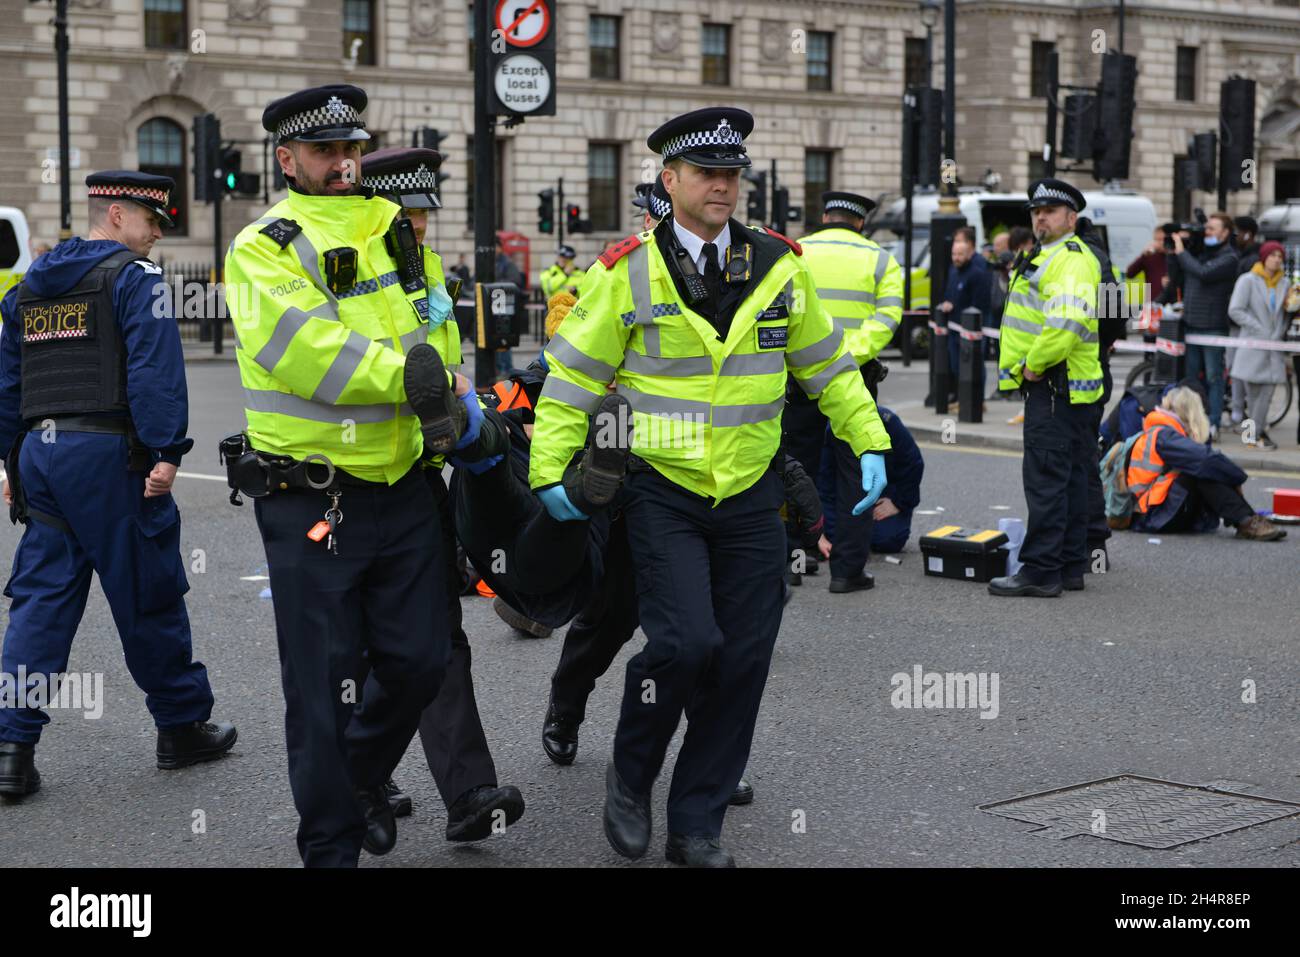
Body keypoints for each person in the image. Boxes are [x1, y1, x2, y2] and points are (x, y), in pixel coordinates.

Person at [529, 107, 890, 867]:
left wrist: (869, 438)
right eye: (707, 173)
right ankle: (631, 778)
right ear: (672, 180)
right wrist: (550, 475)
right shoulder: (628, 270)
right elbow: (570, 382)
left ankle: (696, 823)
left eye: (732, 173)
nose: (723, 185)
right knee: (685, 642)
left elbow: (826, 367)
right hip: (663, 488)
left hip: (753, 492)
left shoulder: (779, 265)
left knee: (743, 658)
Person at [224, 84, 467, 867]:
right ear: (286, 158)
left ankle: (357, 777)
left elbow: (439, 318)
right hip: (310, 497)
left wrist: (441, 369)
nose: (342, 163)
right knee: (324, 687)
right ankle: (330, 847)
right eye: (325, 151)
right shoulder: (264, 246)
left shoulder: (396, 227)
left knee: (422, 659)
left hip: (402, 487)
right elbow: (311, 351)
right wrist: (419, 377)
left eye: (351, 149)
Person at [0, 171, 235, 799]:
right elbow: (156, 372)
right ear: (115, 215)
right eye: (152, 220)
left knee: (42, 600)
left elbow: (8, 381)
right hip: (108, 457)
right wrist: (166, 449)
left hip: (41, 456)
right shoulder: (134, 280)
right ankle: (182, 727)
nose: (158, 234)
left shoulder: (29, 289)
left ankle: (10, 749)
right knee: (149, 589)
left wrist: (10, 461)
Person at [358, 145, 525, 840]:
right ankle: (362, 776)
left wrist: (465, 405)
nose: (420, 226)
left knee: (435, 635)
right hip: (351, 476)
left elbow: (444, 356)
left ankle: (468, 793)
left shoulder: (424, 268)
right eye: (408, 212)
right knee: (359, 644)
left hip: (423, 470)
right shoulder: (352, 266)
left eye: (426, 212)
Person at [989, 178, 1102, 598]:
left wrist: (1033, 367)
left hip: (1053, 385)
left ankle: (1039, 571)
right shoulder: (1048, 254)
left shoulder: (1069, 258)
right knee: (1069, 479)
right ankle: (1070, 565)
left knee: (1046, 481)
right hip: (1069, 389)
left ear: (1071, 218)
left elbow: (1065, 322)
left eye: (1050, 211)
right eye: (1036, 210)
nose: (1040, 216)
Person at [790, 190, 903, 593]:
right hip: (853, 375)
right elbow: (889, 316)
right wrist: (846, 357)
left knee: (791, 464)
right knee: (856, 470)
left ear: (824, 215)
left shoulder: (797, 251)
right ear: (861, 222)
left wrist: (812, 358)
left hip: (798, 374)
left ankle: (793, 561)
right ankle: (847, 570)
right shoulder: (880, 258)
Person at [1126, 386, 1285, 540]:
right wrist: (1237, 478)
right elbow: (1206, 459)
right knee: (1201, 470)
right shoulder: (1164, 435)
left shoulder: (1165, 431)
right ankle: (1247, 521)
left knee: (1205, 468)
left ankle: (1248, 519)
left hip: (1154, 510)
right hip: (1150, 515)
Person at [1173, 212, 1238, 437]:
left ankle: (1213, 424)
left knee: (1213, 378)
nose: (1207, 232)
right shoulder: (1199, 253)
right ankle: (1190, 421)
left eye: (1212, 229)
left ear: (1225, 232)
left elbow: (1204, 273)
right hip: (1191, 323)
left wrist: (1182, 252)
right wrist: (1182, 247)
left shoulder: (1229, 257)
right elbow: (1181, 273)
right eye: (1207, 228)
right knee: (1190, 379)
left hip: (1212, 326)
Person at [1228, 241, 1294, 451]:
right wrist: (1258, 329)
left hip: (1273, 348)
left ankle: (1253, 436)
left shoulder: (1285, 284)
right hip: (1253, 346)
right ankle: (1252, 437)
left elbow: (1283, 314)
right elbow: (1236, 310)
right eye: (1272, 255)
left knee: (1266, 395)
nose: (1276, 259)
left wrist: (1279, 331)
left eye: (1280, 256)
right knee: (1254, 396)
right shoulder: (1247, 280)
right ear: (1263, 257)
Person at [939, 226, 991, 406]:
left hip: (970, 331)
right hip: (954, 328)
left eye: (960, 254)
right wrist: (947, 303)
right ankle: (963, 400)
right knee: (956, 367)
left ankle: (977, 401)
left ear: (970, 253)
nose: (956, 258)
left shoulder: (977, 274)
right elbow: (949, 294)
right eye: (954, 254)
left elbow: (980, 304)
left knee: (974, 366)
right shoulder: (953, 271)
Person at [1125, 225, 1172, 303]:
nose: (1158, 243)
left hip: (1170, 304)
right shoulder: (1149, 256)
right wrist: (1143, 256)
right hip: (1151, 303)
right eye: (1155, 239)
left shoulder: (1174, 256)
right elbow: (1130, 274)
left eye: (1161, 239)